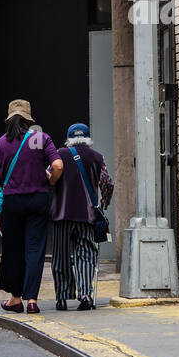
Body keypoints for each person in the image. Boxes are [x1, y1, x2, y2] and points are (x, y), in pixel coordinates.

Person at [0, 99, 63, 315]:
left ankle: (15, 299)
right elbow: (58, 165)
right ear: (28, 121)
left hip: (12, 203)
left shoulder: (0, 144)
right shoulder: (41, 139)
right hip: (38, 201)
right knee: (34, 250)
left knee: (13, 250)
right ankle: (32, 300)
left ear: (9, 119)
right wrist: (51, 181)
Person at [50, 121, 114, 310]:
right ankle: (85, 295)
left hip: (63, 214)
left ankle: (61, 298)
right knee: (86, 255)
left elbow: (49, 176)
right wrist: (104, 203)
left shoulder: (59, 155)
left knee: (60, 256)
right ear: (88, 138)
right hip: (87, 216)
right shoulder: (97, 157)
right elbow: (107, 184)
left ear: (69, 139)